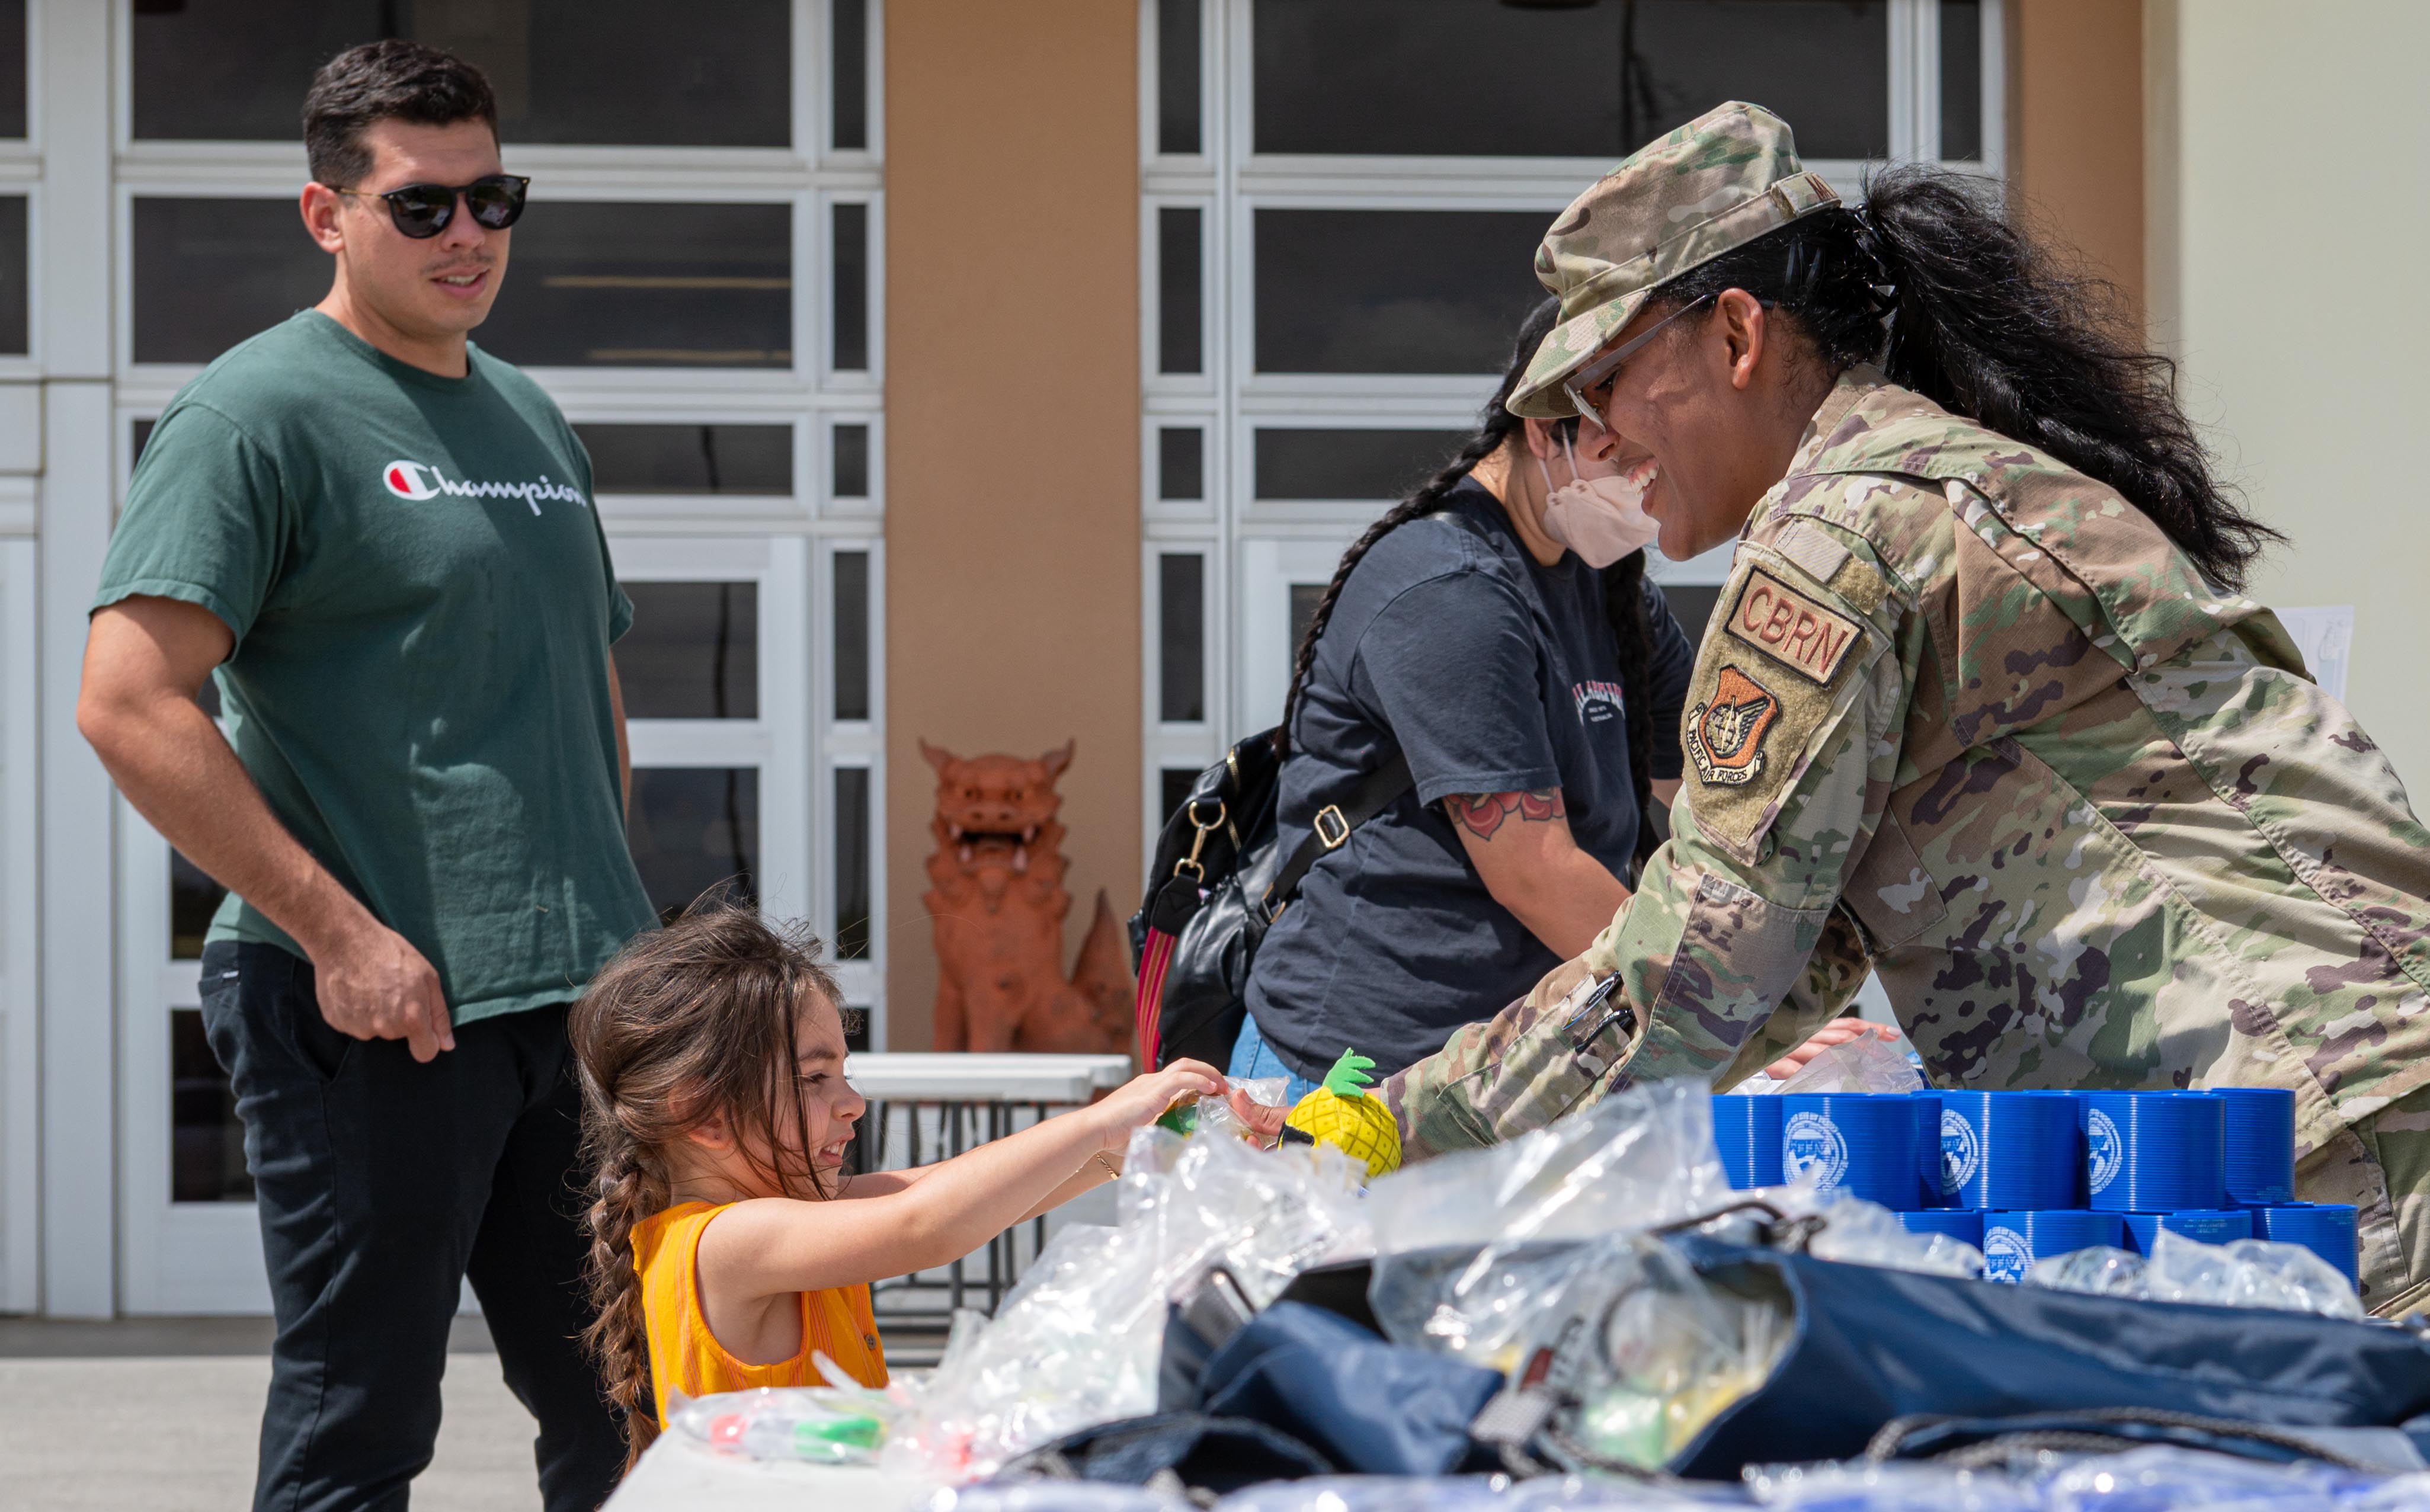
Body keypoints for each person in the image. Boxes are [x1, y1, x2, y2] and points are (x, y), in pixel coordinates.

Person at [1362, 101, 2430, 1314]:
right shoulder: (1932, 475)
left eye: (1608, 376)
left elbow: (1699, 964)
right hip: (2329, 1120)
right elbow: (1787, 955)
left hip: (2313, 1155)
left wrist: (1381, 1130)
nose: (1595, 432)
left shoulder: (1835, 538)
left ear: (1733, 335)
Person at [76, 41, 658, 1510]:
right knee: (363, 1418)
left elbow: (584, 691)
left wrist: (613, 949)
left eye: (493, 199)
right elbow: (130, 703)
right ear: (325, 214)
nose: (468, 235)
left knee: (630, 1402)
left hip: (568, 1011)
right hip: (371, 1008)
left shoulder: (529, 417)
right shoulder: (253, 413)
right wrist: (341, 933)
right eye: (422, 207)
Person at [1234, 298, 1701, 1099]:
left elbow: (1700, 815)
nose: (1645, 484)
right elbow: (1536, 872)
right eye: (1623, 453)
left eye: (1661, 460)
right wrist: (1715, 1012)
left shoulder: (1616, 597)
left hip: (1510, 1072)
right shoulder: (1450, 591)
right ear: (1539, 429)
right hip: (1353, 1074)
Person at [567, 903, 1226, 1462]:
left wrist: (1130, 1148)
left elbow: (933, 1191)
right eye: (814, 1078)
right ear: (701, 1113)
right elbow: (925, 1223)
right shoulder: (722, 1242)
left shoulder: (796, 1210)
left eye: (844, 1072)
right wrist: (1102, 1121)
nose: (852, 1101)